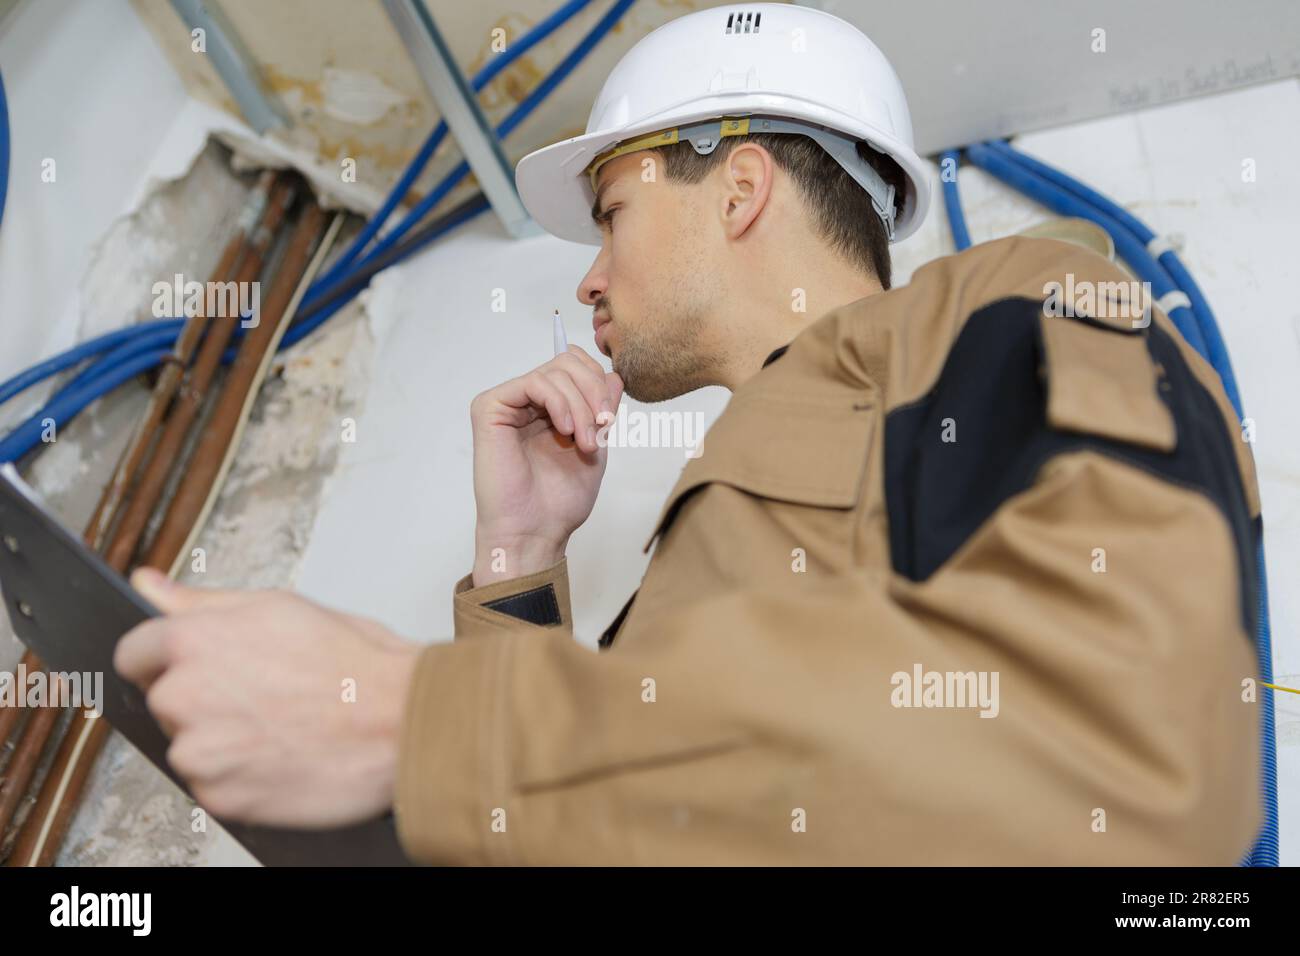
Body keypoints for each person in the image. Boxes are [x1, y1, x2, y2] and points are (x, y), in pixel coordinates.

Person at [116, 4, 1262, 864]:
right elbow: (567, 825)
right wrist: (519, 560)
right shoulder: (710, 550)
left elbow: (1130, 771)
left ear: (740, 191)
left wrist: (406, 717)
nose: (592, 277)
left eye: (613, 211)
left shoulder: (1017, 305)